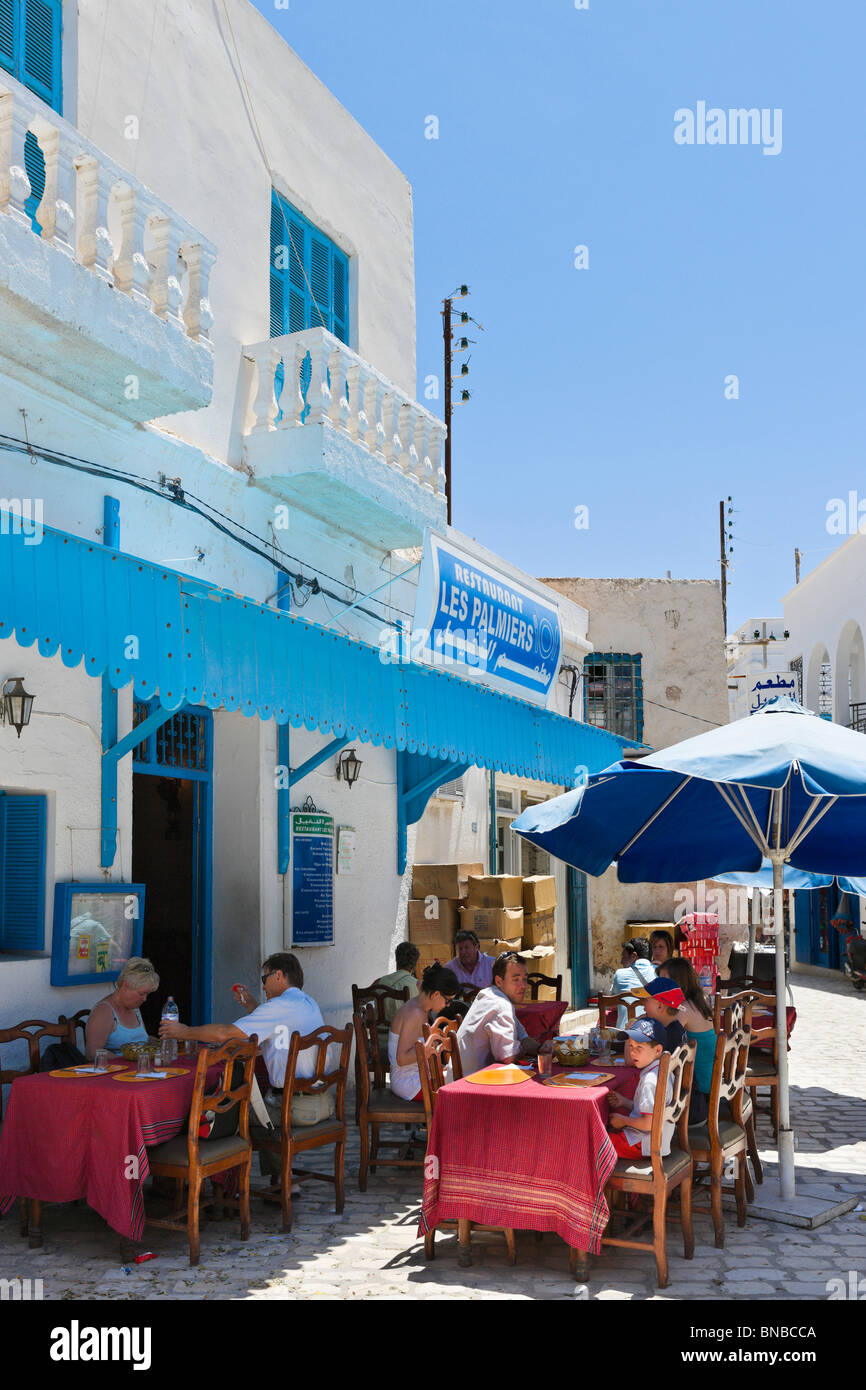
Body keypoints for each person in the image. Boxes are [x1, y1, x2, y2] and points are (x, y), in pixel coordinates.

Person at [160, 952, 328, 1182]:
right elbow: (276, 1028)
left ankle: (222, 1188)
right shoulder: (307, 1003)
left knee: (220, 1111)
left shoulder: (279, 1006)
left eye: (264, 978)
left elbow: (223, 1034)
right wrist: (252, 1007)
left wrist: (183, 1031)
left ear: (279, 975)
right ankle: (283, 1180)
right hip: (320, 1102)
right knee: (263, 1099)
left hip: (292, 1108)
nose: (264, 985)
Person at [456, 951, 541, 1075]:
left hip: (462, 1078)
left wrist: (540, 1048)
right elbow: (507, 1056)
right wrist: (526, 1047)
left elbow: (522, 1036)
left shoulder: (489, 994)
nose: (523, 985)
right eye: (516, 979)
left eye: (524, 979)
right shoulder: (500, 1004)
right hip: (467, 1085)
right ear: (499, 981)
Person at [606, 1018, 675, 1159]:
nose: (633, 1053)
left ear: (657, 1050)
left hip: (641, 1145)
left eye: (639, 1048)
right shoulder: (663, 1070)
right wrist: (624, 1102)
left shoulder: (651, 1080)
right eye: (631, 1046)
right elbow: (651, 1111)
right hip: (658, 1143)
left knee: (596, 1143)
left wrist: (623, 1120)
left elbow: (649, 1123)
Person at [388, 964, 459, 1100]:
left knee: (457, 1076)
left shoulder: (419, 1007)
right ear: (436, 994)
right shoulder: (415, 1013)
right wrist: (434, 1049)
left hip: (415, 1076)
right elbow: (401, 1059)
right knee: (460, 1085)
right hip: (408, 1083)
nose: (447, 1005)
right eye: (448, 1001)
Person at [663, 956, 716, 1125]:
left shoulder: (683, 1008)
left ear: (678, 983)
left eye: (664, 981)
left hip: (699, 1091)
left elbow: (665, 1037)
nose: (660, 986)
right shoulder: (698, 1002)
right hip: (710, 1082)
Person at [86, 957, 159, 1058]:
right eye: (141, 993)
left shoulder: (135, 1008)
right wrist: (127, 1060)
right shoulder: (104, 1011)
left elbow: (141, 1040)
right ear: (126, 985)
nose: (145, 999)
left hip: (139, 1067)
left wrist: (160, 1044)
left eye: (147, 994)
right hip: (117, 1070)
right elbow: (92, 1053)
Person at [610, 937, 656, 1029]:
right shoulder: (660, 971)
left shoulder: (620, 974)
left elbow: (613, 1005)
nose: (621, 961)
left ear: (634, 956)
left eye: (623, 956)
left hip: (624, 1035)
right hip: (653, 1034)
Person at [632, 976, 688, 1051]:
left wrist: (631, 1033)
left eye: (645, 1000)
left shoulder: (665, 1036)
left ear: (660, 1007)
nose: (643, 1006)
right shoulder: (676, 1029)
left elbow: (630, 1060)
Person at [374, 942, 420, 1025]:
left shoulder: (379, 982)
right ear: (414, 964)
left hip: (377, 1036)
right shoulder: (417, 985)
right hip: (403, 1036)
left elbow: (363, 1000)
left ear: (396, 960)